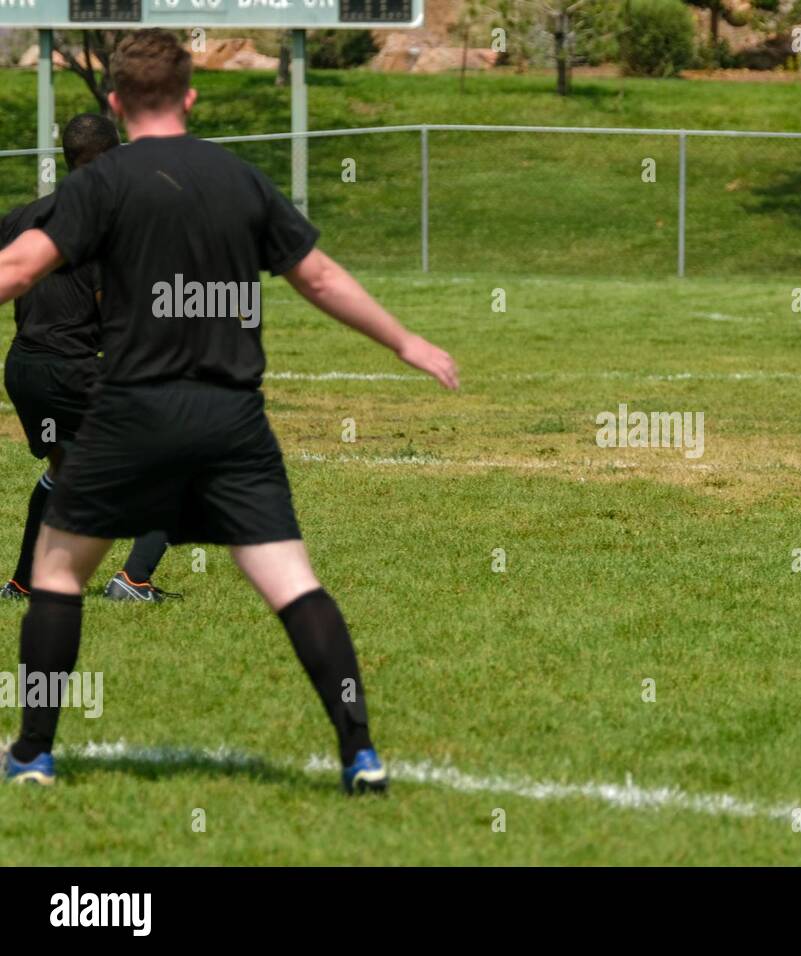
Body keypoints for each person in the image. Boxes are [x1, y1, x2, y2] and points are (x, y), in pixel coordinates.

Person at [0, 30, 459, 791]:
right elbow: (317, 276)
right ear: (191, 95)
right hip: (230, 419)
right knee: (293, 584)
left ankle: (33, 754)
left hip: (131, 411)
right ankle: (361, 756)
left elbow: (18, 267)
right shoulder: (240, 178)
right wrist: (405, 340)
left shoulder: (101, 182)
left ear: (115, 101)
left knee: (55, 573)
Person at [0, 113, 176, 603]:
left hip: (24, 370)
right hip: (73, 370)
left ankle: (22, 583)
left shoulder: (22, 215)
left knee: (61, 471)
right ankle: (133, 581)